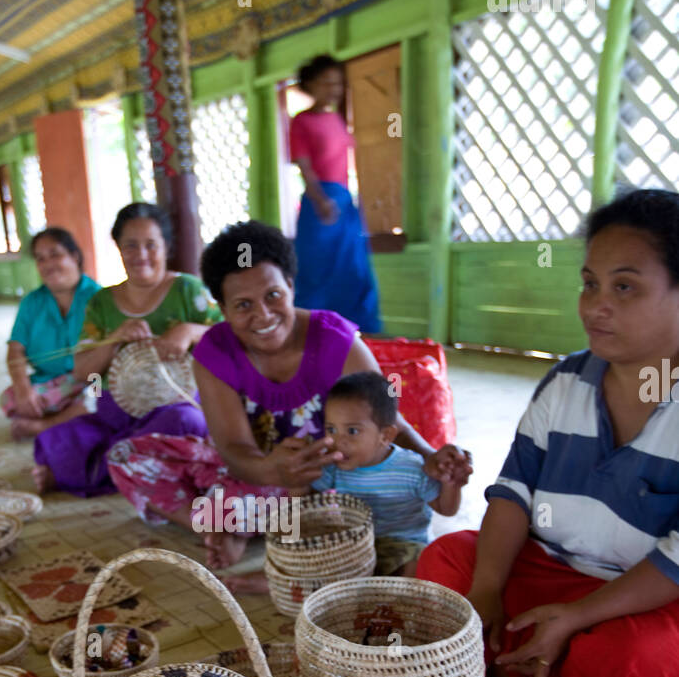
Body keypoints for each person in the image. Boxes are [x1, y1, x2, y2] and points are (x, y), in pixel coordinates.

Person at [417, 187, 679, 677]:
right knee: (447, 562)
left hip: (642, 600)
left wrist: (580, 616)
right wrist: (487, 588)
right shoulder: (565, 381)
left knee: (619, 661)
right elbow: (514, 492)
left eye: (624, 287)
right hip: (549, 570)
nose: (594, 304)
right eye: (589, 283)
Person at [108, 221, 472, 575]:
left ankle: (238, 525)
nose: (263, 315)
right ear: (222, 308)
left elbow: (389, 424)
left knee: (329, 500)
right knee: (125, 457)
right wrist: (271, 470)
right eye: (243, 305)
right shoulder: (215, 352)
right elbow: (235, 450)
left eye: (273, 296)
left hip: (325, 485)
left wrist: (435, 460)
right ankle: (219, 526)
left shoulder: (336, 341)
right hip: (255, 476)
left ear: (291, 286)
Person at [31, 202, 219, 496]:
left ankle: (94, 470)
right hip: (115, 413)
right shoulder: (101, 303)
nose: (141, 255)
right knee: (65, 435)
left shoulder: (188, 291)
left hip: (174, 406)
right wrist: (117, 338)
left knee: (187, 422)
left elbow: (230, 339)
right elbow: (83, 372)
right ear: (118, 247)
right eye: (130, 245)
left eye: (150, 245)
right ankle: (131, 463)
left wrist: (189, 331)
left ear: (166, 247)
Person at [311, 371, 463, 575]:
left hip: (405, 545)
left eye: (352, 431)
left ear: (386, 435)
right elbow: (307, 507)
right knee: (316, 554)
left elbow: (446, 509)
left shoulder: (412, 468)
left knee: (419, 564)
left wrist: (451, 484)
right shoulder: (332, 467)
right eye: (331, 429)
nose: (340, 441)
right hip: (355, 546)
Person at [289, 54, 381, 334]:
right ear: (310, 85)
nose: (333, 90)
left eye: (338, 84)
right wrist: (320, 201)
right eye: (326, 83)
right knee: (316, 271)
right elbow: (304, 167)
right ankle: (311, 331)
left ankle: (356, 333)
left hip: (344, 201)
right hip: (320, 205)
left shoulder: (337, 120)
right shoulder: (301, 122)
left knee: (355, 268)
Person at [0, 228, 100, 440]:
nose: (48, 264)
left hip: (92, 379)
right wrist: (23, 389)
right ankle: (68, 418)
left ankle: (43, 426)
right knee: (9, 399)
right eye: (40, 258)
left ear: (74, 256)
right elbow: (15, 349)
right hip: (52, 383)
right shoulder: (32, 303)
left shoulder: (99, 298)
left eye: (55, 254)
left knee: (100, 397)